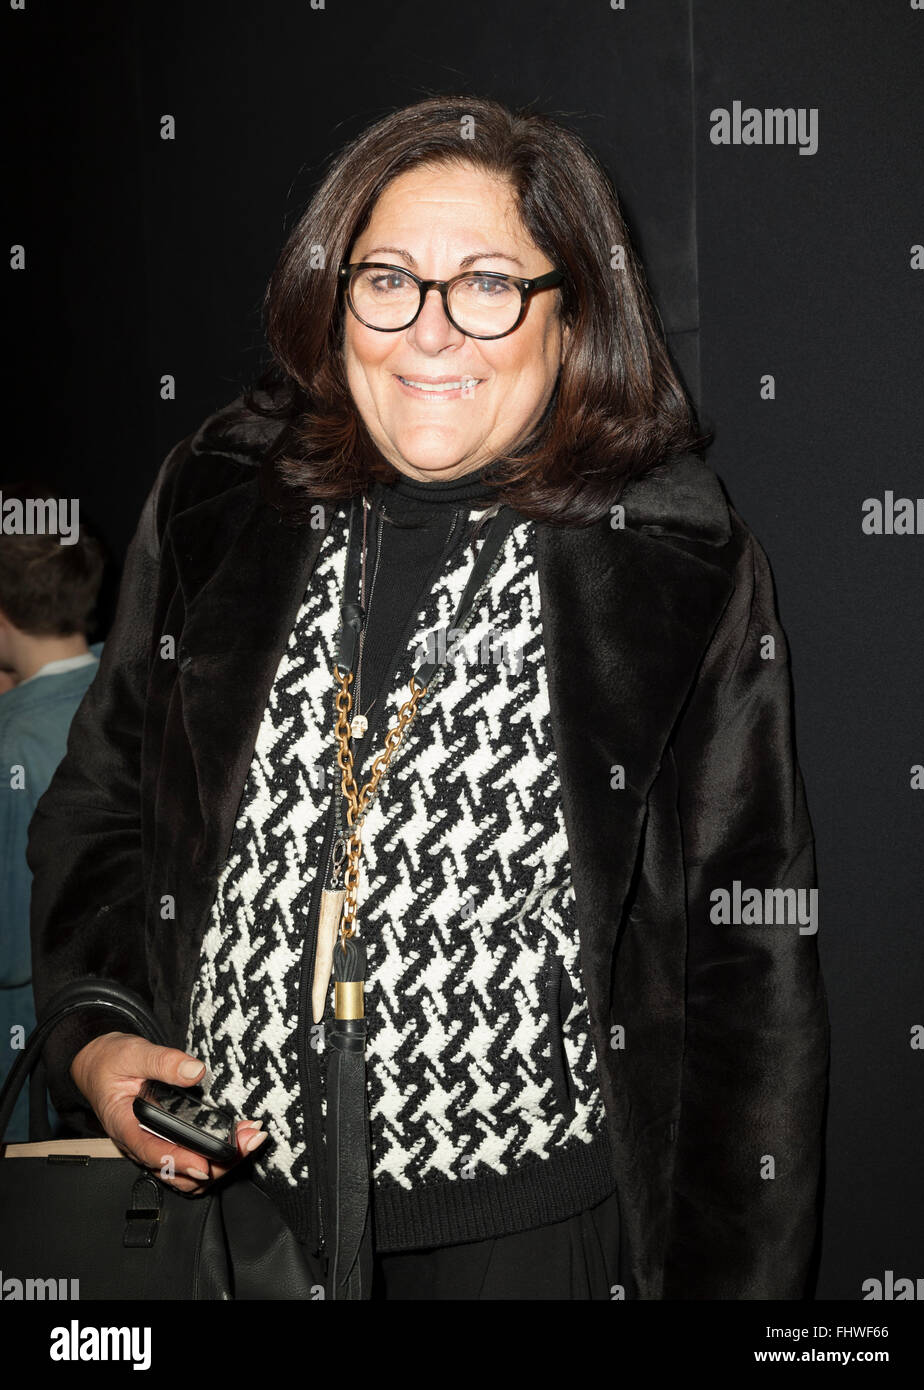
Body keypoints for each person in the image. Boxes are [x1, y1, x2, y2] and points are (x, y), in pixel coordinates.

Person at [27, 94, 829, 1300]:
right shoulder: (221, 498)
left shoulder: (669, 559)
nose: (430, 333)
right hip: (229, 1229)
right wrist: (92, 1034)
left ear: (573, 319)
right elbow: (99, 809)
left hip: (530, 1243)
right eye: (389, 279)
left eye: (491, 285)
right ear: (335, 298)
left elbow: (747, 973)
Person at [0, 487, 105, 1140]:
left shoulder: (12, 742)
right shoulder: (125, 693)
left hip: (23, 1060)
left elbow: (11, 952)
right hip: (97, 1030)